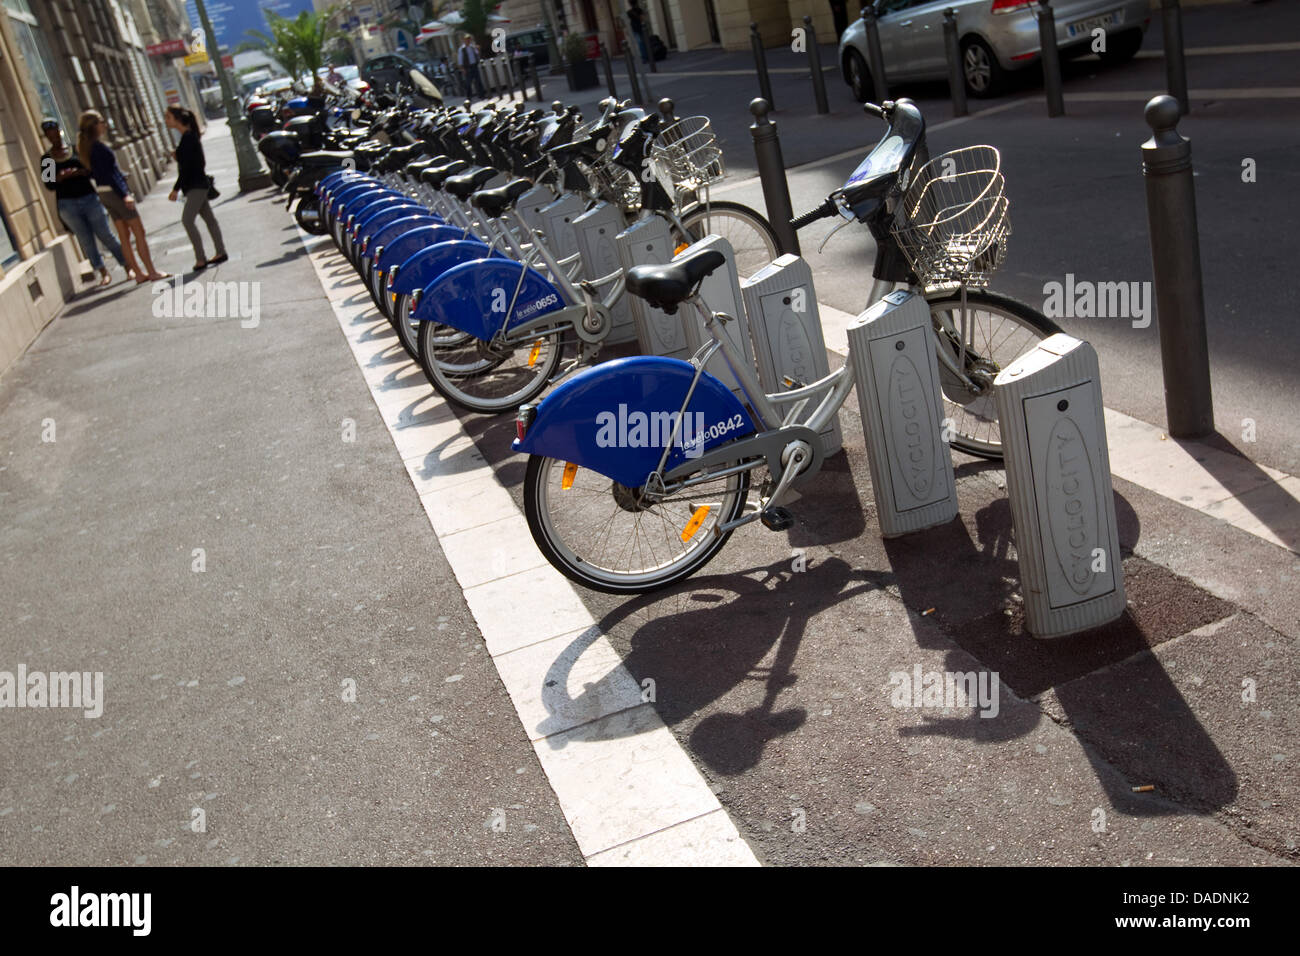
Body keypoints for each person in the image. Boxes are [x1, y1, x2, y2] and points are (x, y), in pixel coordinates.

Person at [78, 110, 168, 284]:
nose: (104, 124)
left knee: (124, 235)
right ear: (94, 126)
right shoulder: (98, 147)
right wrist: (125, 194)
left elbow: (96, 173)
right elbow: (110, 174)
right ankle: (151, 271)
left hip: (104, 192)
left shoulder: (87, 147)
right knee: (138, 232)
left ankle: (139, 273)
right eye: (101, 121)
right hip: (114, 192)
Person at [39, 118, 126, 287]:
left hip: (89, 197)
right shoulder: (48, 159)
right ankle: (103, 272)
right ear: (47, 138)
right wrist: (62, 177)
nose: (54, 137)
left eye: (55, 132)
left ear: (59, 131)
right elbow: (49, 184)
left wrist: (79, 172)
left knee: (105, 233)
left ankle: (127, 265)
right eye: (49, 135)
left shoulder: (75, 150)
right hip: (67, 204)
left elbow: (90, 169)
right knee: (86, 240)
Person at [164, 105, 227, 272]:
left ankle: (201, 258)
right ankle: (220, 252)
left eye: (168, 117)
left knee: (187, 220)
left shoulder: (188, 138)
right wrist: (179, 157)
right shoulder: (188, 137)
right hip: (197, 185)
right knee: (209, 219)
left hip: (195, 186)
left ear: (177, 119)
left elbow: (189, 167)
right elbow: (190, 163)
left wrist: (175, 189)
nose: (166, 121)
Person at [457, 33, 485, 99]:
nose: (468, 41)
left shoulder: (472, 47)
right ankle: (469, 96)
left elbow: (477, 55)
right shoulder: (462, 49)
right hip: (467, 67)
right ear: (464, 40)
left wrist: (478, 49)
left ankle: (481, 95)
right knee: (468, 82)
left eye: (469, 39)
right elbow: (460, 59)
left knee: (478, 81)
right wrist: (462, 68)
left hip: (474, 65)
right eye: (467, 39)